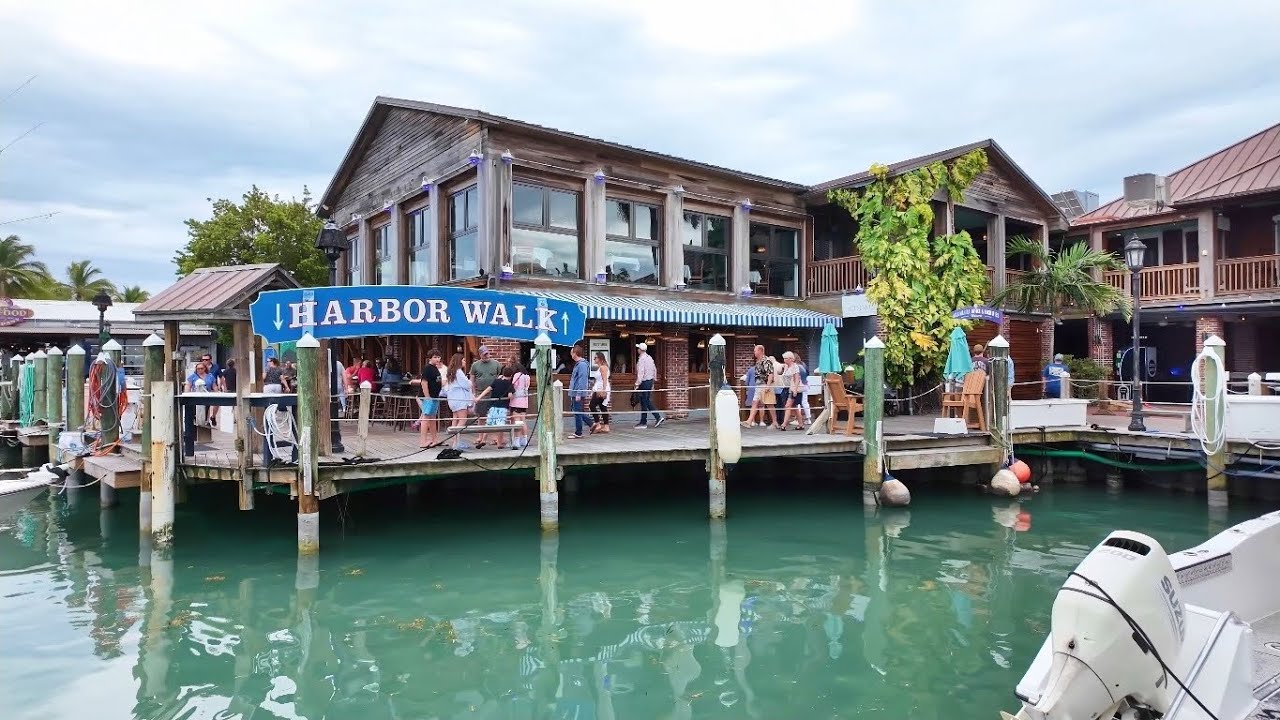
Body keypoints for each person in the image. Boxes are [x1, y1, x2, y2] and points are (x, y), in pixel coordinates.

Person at [473, 365, 515, 449]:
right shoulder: (509, 384)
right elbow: (510, 396)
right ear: (511, 376)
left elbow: (488, 389)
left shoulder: (496, 381)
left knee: (489, 424)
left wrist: (478, 397)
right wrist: (512, 396)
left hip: (493, 406)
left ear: (503, 374)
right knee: (500, 426)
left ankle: (483, 440)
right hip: (502, 407)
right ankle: (499, 443)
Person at [410, 349, 444, 448]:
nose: (437, 359)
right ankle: (423, 441)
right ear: (430, 358)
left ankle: (434, 439)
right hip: (429, 397)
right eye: (435, 357)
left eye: (438, 357)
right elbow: (424, 382)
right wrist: (427, 396)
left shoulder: (435, 368)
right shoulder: (428, 369)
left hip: (435, 396)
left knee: (433, 418)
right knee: (426, 417)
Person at [443, 353, 474, 449]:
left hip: (453, 399)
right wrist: (470, 381)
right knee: (462, 419)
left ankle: (455, 441)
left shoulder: (451, 372)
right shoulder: (459, 372)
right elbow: (467, 385)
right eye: (463, 360)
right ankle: (457, 442)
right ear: (459, 361)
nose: (465, 362)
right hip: (460, 399)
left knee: (455, 419)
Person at [633, 342, 664, 428]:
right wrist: (653, 381)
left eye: (638, 348)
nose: (637, 349)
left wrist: (637, 384)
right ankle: (643, 421)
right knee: (644, 401)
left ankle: (657, 417)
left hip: (644, 382)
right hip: (649, 381)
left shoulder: (642, 359)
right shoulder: (650, 358)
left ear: (640, 350)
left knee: (645, 401)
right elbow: (654, 370)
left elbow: (641, 372)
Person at [742, 345, 773, 428]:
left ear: (760, 351)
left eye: (755, 351)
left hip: (763, 385)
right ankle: (749, 421)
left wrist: (768, 385)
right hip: (758, 385)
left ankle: (775, 422)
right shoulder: (758, 362)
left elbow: (770, 374)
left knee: (768, 404)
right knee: (755, 403)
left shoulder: (766, 360)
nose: (754, 352)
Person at [470, 345, 502, 420]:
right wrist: (474, 393)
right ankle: (481, 432)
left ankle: (492, 431)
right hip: (480, 394)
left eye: (487, 354)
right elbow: (472, 379)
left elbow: (501, 376)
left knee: (494, 416)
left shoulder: (496, 364)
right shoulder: (475, 365)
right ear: (480, 355)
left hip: (494, 393)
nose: (487, 356)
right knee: (481, 416)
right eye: (484, 354)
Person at [778, 352, 806, 431]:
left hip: (793, 388)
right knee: (794, 407)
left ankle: (784, 424)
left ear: (791, 359)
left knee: (788, 406)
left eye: (786, 358)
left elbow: (797, 379)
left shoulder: (795, 367)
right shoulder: (786, 366)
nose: (784, 360)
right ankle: (801, 424)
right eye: (784, 358)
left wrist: (795, 389)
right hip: (786, 388)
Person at [567, 345, 591, 439]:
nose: (571, 355)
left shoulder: (582, 365)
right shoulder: (579, 364)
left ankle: (579, 431)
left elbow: (582, 380)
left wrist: (579, 393)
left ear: (575, 353)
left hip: (578, 392)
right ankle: (591, 425)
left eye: (572, 353)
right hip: (575, 392)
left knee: (577, 411)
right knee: (577, 411)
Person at [509, 361, 531, 448]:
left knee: (517, 421)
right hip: (524, 400)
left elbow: (513, 386)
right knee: (523, 421)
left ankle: (517, 440)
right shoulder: (527, 376)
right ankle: (524, 440)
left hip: (516, 400)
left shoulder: (517, 375)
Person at [589, 351, 611, 434]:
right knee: (602, 406)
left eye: (595, 358)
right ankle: (606, 426)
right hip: (598, 387)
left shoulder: (603, 367)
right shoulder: (600, 367)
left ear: (600, 359)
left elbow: (605, 379)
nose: (594, 359)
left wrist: (604, 389)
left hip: (601, 388)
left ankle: (597, 423)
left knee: (592, 405)